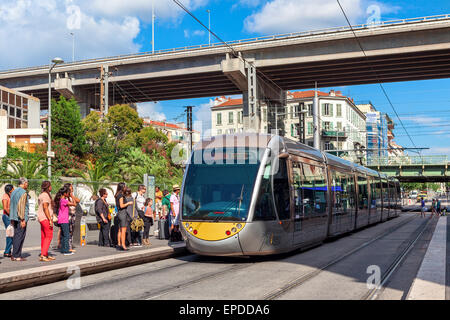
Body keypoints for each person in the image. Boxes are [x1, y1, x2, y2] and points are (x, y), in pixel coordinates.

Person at [9, 178, 30, 261]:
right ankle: (16, 255)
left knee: (16, 236)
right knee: (20, 236)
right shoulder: (23, 193)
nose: (27, 184)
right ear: (24, 183)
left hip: (14, 217)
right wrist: (23, 219)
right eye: (27, 183)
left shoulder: (13, 192)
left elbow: (12, 205)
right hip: (20, 218)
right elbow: (21, 207)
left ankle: (15, 254)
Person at [55, 186, 77, 255]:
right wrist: (72, 196)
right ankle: (66, 250)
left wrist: (68, 197)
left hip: (61, 219)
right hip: (64, 220)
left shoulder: (61, 200)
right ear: (65, 193)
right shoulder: (64, 201)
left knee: (63, 235)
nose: (69, 194)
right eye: (68, 193)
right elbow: (74, 204)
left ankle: (63, 249)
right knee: (66, 235)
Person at [37, 181, 55, 262]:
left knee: (44, 236)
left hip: (41, 217)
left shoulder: (42, 194)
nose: (51, 187)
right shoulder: (45, 195)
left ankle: (45, 253)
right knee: (49, 236)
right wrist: (50, 219)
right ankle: (43, 255)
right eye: (50, 186)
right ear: (48, 187)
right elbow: (45, 207)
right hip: (45, 218)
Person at [116, 184, 133, 251]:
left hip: (120, 213)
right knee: (123, 230)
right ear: (122, 188)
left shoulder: (117, 195)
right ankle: (123, 245)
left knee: (120, 229)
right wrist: (128, 203)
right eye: (125, 186)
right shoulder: (121, 196)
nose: (126, 187)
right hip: (123, 212)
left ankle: (119, 243)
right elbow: (121, 205)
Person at [2, 184, 14, 258]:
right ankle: (7, 251)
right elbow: (5, 208)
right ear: (9, 190)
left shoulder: (10, 196)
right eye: (12, 189)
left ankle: (8, 251)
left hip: (10, 216)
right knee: (10, 234)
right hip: (7, 217)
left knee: (11, 234)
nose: (13, 190)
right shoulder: (5, 196)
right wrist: (12, 215)